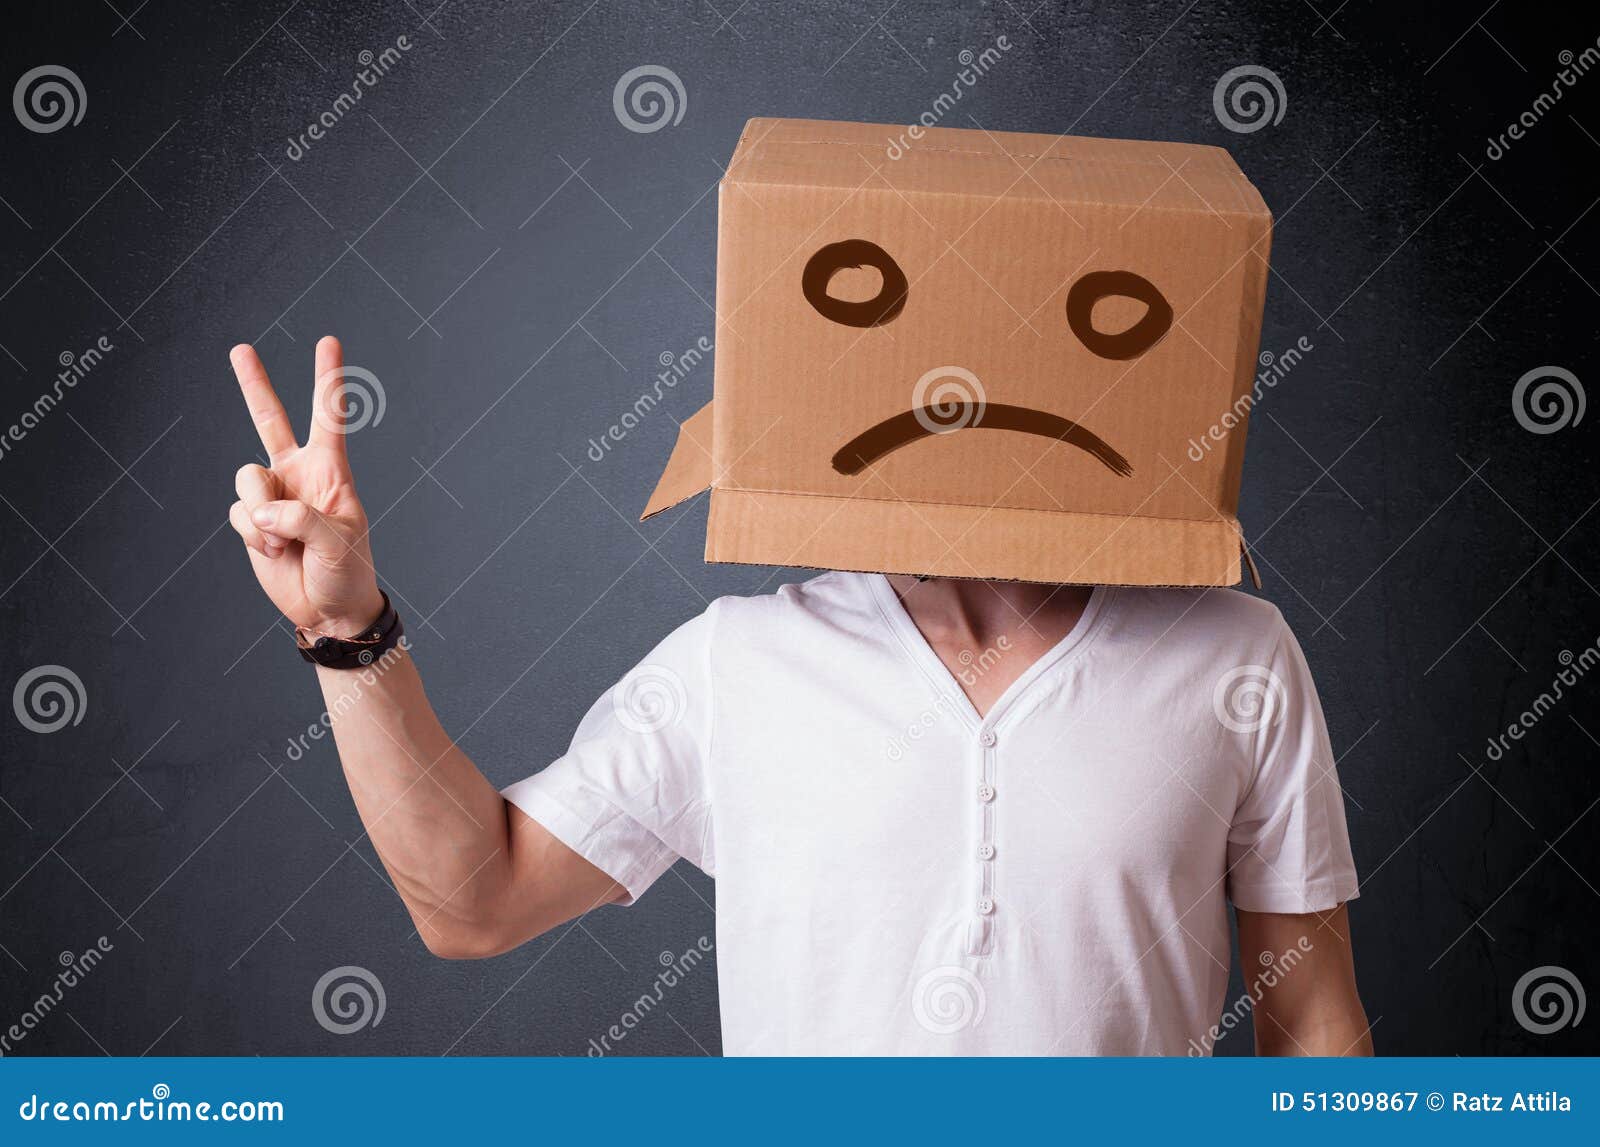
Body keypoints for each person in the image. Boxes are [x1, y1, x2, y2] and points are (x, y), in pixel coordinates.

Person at [226, 336, 1371, 1056]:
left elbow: (1309, 1017)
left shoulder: (1234, 653)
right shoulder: (741, 660)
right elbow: (473, 903)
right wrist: (343, 628)